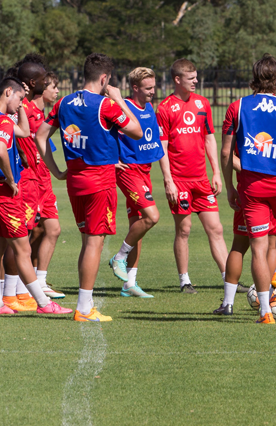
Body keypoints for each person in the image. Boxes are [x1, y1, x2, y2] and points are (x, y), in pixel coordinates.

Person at [37, 53, 142, 323]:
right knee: (94, 243)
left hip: (75, 180)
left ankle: (85, 305)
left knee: (88, 242)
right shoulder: (106, 104)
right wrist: (119, 99)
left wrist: (56, 169)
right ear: (105, 78)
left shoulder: (63, 102)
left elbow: (40, 135)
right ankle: (84, 308)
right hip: (99, 182)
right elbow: (137, 131)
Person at [214, 54, 276, 323]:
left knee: (254, 246)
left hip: (251, 187)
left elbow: (225, 152)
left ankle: (266, 312)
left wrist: (230, 185)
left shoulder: (238, 107)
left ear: (254, 78)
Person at [0, 77, 71, 316]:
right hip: (3, 190)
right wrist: (11, 179)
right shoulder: (1, 121)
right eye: (20, 98)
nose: (21, 103)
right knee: (23, 250)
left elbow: (24, 131)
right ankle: (43, 303)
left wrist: (18, 108)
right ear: (8, 91)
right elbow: (1, 150)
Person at [156, 59, 229, 293]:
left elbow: (209, 138)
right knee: (184, 230)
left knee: (216, 229)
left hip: (201, 180)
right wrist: (168, 180)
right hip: (179, 181)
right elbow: (162, 146)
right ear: (178, 80)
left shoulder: (202, 103)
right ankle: (184, 280)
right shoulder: (165, 107)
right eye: (191, 78)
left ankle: (230, 279)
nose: (196, 81)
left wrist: (216, 172)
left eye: (196, 77)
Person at [107, 67, 164, 298]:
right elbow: (104, 133)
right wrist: (111, 160)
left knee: (137, 224)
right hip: (128, 171)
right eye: (148, 88)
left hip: (145, 171)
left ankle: (129, 283)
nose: (153, 91)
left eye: (153, 86)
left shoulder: (149, 107)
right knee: (152, 217)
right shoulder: (123, 106)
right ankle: (118, 257)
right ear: (135, 88)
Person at [24, 60, 64, 300]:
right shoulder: (26, 110)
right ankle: (21, 286)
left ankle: (39, 281)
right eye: (53, 87)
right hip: (32, 182)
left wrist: (57, 172)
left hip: (44, 181)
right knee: (28, 234)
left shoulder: (41, 114)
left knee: (51, 229)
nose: (57, 91)